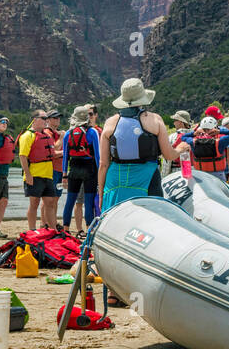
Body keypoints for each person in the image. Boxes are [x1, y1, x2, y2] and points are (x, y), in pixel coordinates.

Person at [98, 78, 183, 211]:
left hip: (115, 182)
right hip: (148, 179)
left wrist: (101, 193)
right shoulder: (155, 119)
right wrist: (181, 149)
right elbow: (169, 155)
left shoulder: (110, 123)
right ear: (142, 98)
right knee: (156, 216)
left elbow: (103, 164)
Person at [17, 110, 58, 231]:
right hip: (34, 174)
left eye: (47, 118)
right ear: (34, 120)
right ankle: (32, 230)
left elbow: (53, 154)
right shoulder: (27, 136)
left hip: (48, 175)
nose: (46, 121)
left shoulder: (47, 136)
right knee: (34, 203)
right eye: (44, 118)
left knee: (50, 202)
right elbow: (22, 156)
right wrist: (28, 175)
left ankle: (53, 229)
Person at [61, 106, 100, 233]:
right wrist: (100, 173)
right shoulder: (92, 132)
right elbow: (97, 156)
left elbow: (65, 156)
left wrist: (64, 175)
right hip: (90, 169)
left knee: (70, 201)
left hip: (74, 168)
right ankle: (89, 230)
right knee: (88, 202)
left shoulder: (68, 134)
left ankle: (66, 230)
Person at [43, 110, 64, 228]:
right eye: (55, 118)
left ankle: (53, 222)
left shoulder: (56, 132)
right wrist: (62, 137)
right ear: (48, 120)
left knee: (56, 198)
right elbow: (53, 149)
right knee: (48, 199)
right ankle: (45, 223)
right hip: (52, 169)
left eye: (58, 118)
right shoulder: (47, 132)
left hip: (59, 169)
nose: (57, 120)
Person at [167, 110, 193, 174]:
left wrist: (164, 176)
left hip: (177, 172)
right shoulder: (195, 135)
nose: (174, 123)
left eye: (175, 120)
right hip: (194, 171)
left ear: (180, 122)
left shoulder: (172, 137)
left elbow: (167, 161)